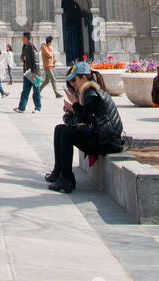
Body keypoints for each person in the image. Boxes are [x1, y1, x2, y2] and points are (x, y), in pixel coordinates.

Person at [45, 62, 125, 193]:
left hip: (106, 142)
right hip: (101, 137)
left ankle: (66, 180)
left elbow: (83, 118)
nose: (73, 84)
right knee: (60, 129)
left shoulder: (91, 93)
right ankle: (59, 172)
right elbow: (84, 119)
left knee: (65, 133)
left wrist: (75, 104)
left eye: (75, 80)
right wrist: (72, 109)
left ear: (84, 78)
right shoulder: (89, 92)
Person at [15, 33, 42, 113]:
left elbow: (36, 60)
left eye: (23, 37)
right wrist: (23, 58)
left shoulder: (31, 46)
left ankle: (38, 107)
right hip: (27, 73)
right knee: (25, 90)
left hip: (33, 73)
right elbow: (22, 57)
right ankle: (21, 107)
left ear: (26, 38)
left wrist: (34, 72)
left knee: (36, 91)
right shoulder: (24, 47)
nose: (22, 39)